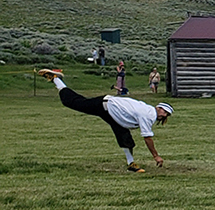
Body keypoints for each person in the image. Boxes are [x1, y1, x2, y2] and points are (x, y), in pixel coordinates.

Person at [39, 68, 172, 172]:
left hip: (112, 112)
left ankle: (131, 163)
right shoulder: (148, 115)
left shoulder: (148, 110)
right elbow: (147, 137)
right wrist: (156, 156)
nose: (164, 115)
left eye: (167, 114)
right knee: (72, 102)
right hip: (105, 106)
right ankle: (56, 78)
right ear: (158, 108)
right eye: (164, 111)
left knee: (124, 135)